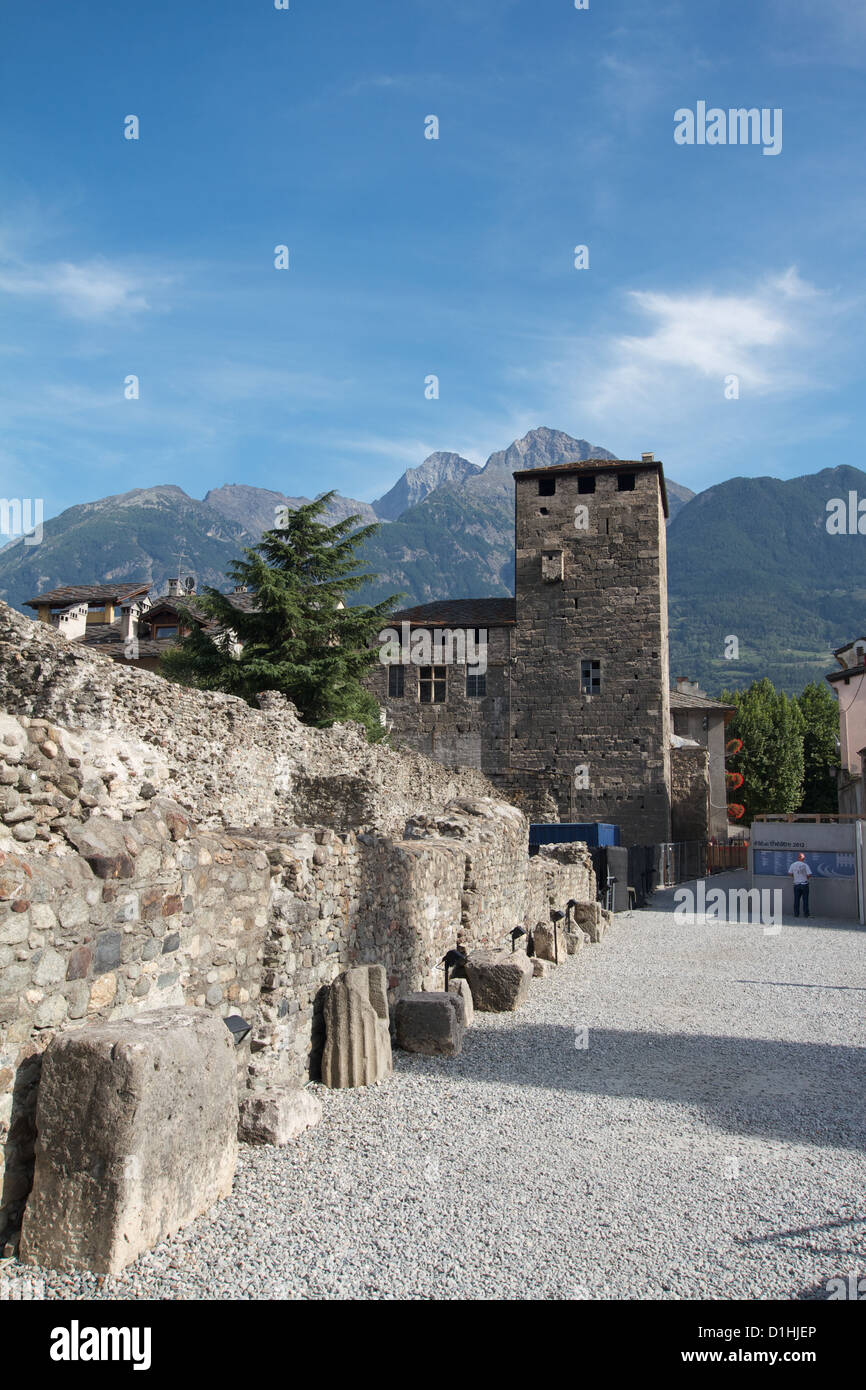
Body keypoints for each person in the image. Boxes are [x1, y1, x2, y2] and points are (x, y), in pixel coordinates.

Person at [787, 852, 812, 918]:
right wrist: (805, 878)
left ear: (798, 857)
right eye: (803, 857)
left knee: (796, 900)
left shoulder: (793, 865)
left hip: (796, 884)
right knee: (805, 900)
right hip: (804, 884)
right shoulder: (805, 865)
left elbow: (789, 873)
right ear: (803, 858)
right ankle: (806, 914)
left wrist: (795, 877)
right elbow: (809, 874)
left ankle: (796, 914)